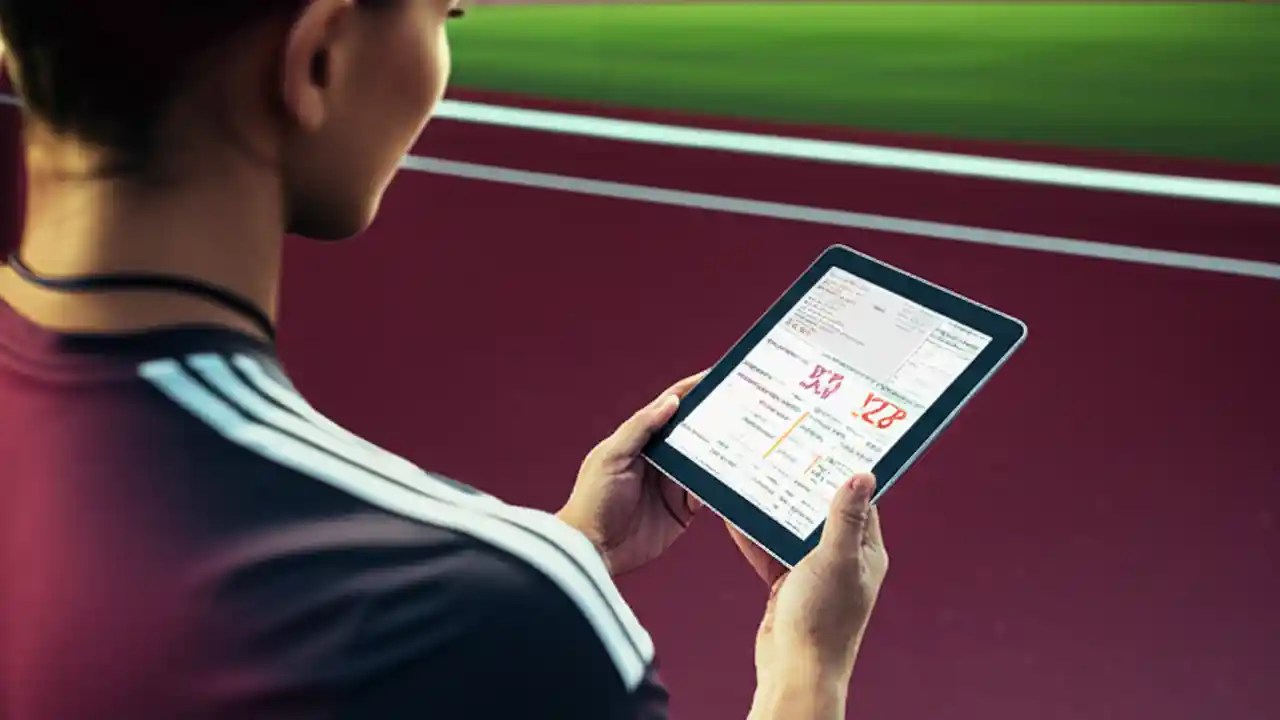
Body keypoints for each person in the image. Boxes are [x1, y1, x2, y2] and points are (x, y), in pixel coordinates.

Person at [0, 2, 888, 718]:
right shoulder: (490, 616)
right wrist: (808, 672)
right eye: (443, 17)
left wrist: (568, 545)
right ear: (319, 60)